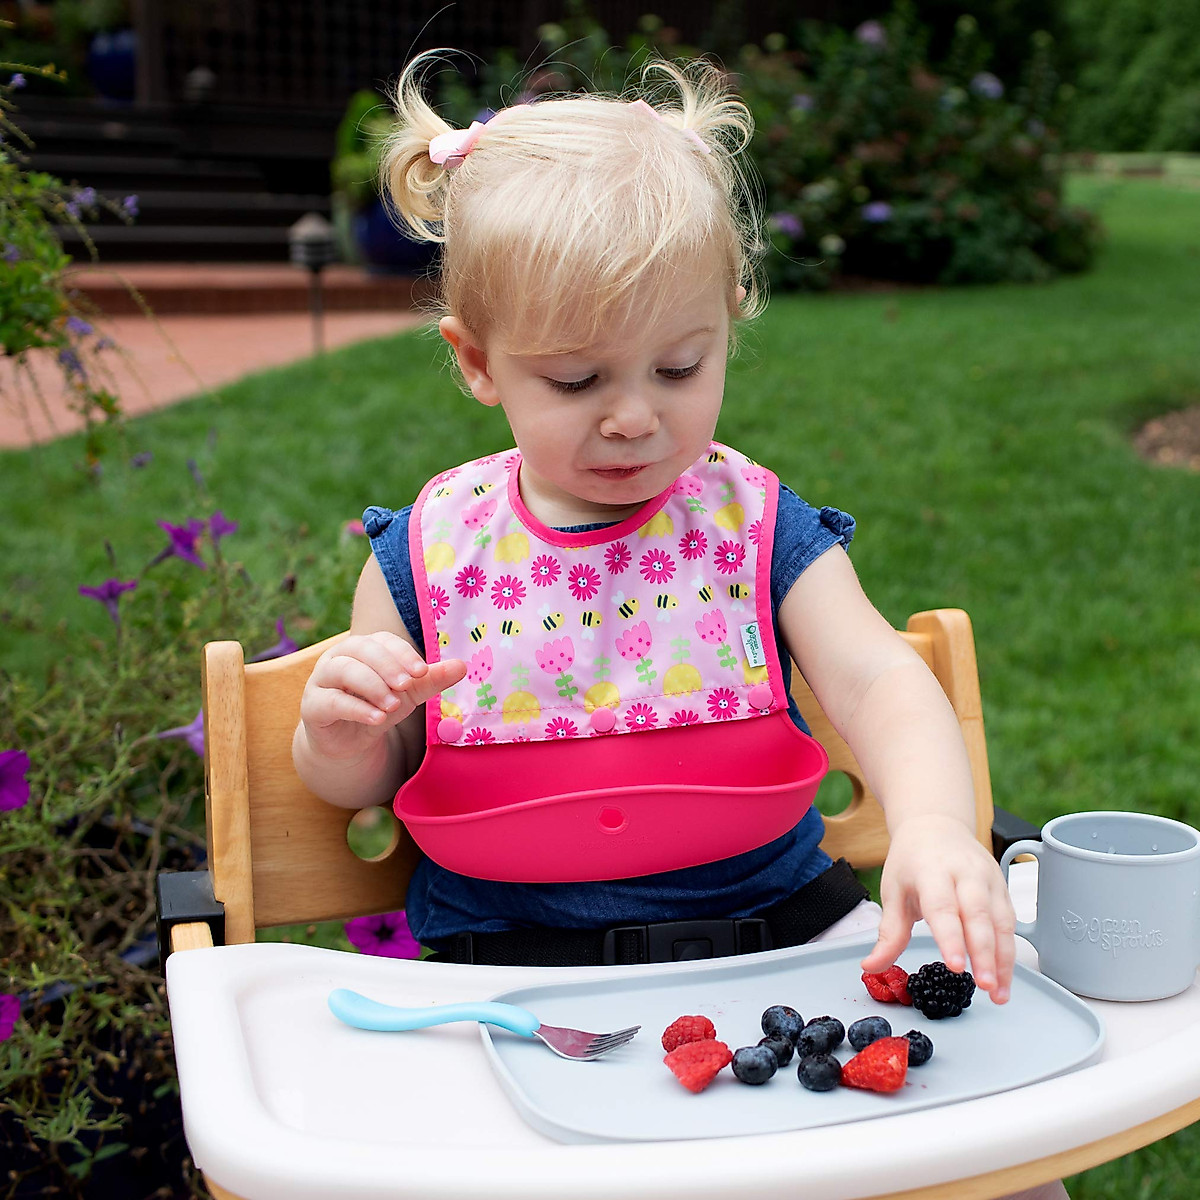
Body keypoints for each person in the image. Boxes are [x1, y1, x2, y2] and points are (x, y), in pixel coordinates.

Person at [292, 53, 1018, 1006]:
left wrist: (931, 824)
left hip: (777, 938)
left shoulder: (753, 523)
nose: (634, 416)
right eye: (576, 380)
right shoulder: (430, 553)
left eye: (678, 368)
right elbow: (372, 779)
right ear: (477, 362)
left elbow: (880, 677)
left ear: (727, 323)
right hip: (511, 976)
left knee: (995, 1128)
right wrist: (341, 736)